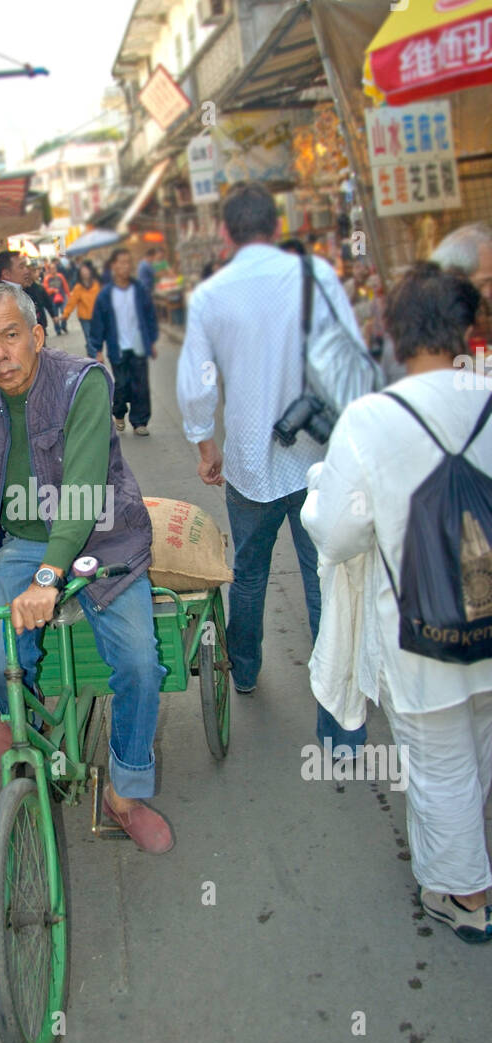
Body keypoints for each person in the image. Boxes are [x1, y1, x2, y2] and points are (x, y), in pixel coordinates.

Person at [0, 282, 171, 853]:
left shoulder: (81, 383)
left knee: (141, 663)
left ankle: (125, 791)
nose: (0, 353)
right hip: (21, 543)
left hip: (103, 539)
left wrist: (51, 578)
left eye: (11, 336)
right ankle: (25, 719)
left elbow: (86, 489)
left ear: (37, 336)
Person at [301, 264, 492, 942]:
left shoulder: (371, 420)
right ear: (465, 330)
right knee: (477, 746)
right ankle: (461, 864)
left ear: (390, 331)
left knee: (440, 764)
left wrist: (319, 486)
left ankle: (466, 896)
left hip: (421, 631)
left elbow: (338, 530)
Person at [176, 181, 367, 756]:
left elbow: (196, 387)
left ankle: (246, 670)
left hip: (250, 468)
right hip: (318, 460)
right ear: (275, 224)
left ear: (227, 233)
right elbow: (351, 359)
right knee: (323, 573)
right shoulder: (317, 277)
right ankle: (336, 691)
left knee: (251, 574)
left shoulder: (210, 295)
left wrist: (206, 449)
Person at [89, 247, 159, 436]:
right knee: (121, 384)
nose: (125, 267)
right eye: (121, 263)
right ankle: (118, 412)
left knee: (140, 384)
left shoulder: (139, 290)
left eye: (128, 262)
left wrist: (151, 340)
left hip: (138, 345)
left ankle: (139, 422)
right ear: (113, 266)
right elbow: (98, 323)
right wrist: (97, 348)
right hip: (117, 347)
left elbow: (149, 315)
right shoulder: (106, 295)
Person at [0, 250, 55, 335]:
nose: (27, 271)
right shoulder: (0, 298)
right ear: (6, 274)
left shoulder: (25, 289)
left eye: (26, 266)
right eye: (21, 267)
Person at [61, 259, 100, 350]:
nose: (85, 273)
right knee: (88, 337)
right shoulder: (78, 288)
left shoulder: (96, 285)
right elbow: (71, 303)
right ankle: (94, 356)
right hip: (84, 317)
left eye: (87, 271)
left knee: (96, 337)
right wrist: (65, 315)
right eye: (83, 272)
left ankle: (91, 349)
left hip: (96, 316)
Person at [44, 259, 70, 335]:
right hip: (52, 299)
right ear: (49, 270)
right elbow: (46, 289)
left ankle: (63, 326)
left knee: (64, 312)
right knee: (55, 315)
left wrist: (68, 295)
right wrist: (52, 290)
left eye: (54, 268)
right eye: (51, 269)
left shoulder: (60, 276)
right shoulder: (47, 278)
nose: (53, 270)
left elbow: (65, 285)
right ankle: (57, 329)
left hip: (62, 297)